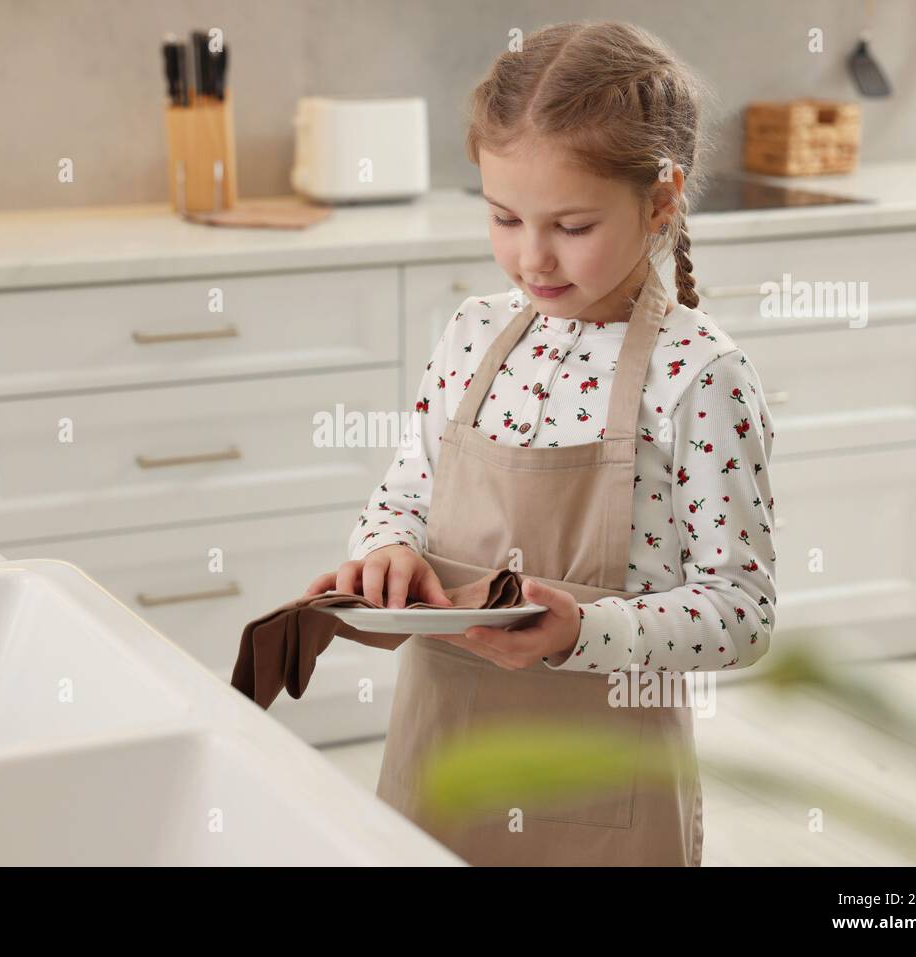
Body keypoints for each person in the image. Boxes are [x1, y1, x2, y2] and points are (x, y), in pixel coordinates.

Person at [304, 20, 777, 866]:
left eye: (571, 224)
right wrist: (384, 550)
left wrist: (583, 631)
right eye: (504, 216)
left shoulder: (700, 374)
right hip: (440, 758)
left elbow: (742, 611)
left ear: (661, 200)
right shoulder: (471, 330)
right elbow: (409, 488)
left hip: (607, 784)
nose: (531, 256)